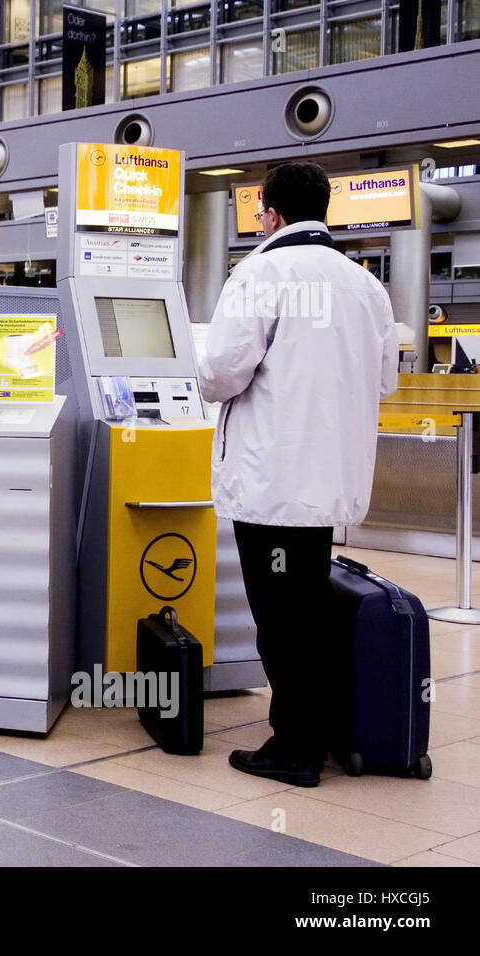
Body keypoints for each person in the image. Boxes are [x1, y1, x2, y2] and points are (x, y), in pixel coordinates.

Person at [198, 161, 399, 788]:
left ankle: (296, 748)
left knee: (282, 620)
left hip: (273, 484)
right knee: (306, 609)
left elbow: (219, 374)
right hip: (329, 484)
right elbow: (386, 381)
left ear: (272, 213)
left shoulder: (260, 274)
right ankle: (313, 732)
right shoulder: (365, 285)